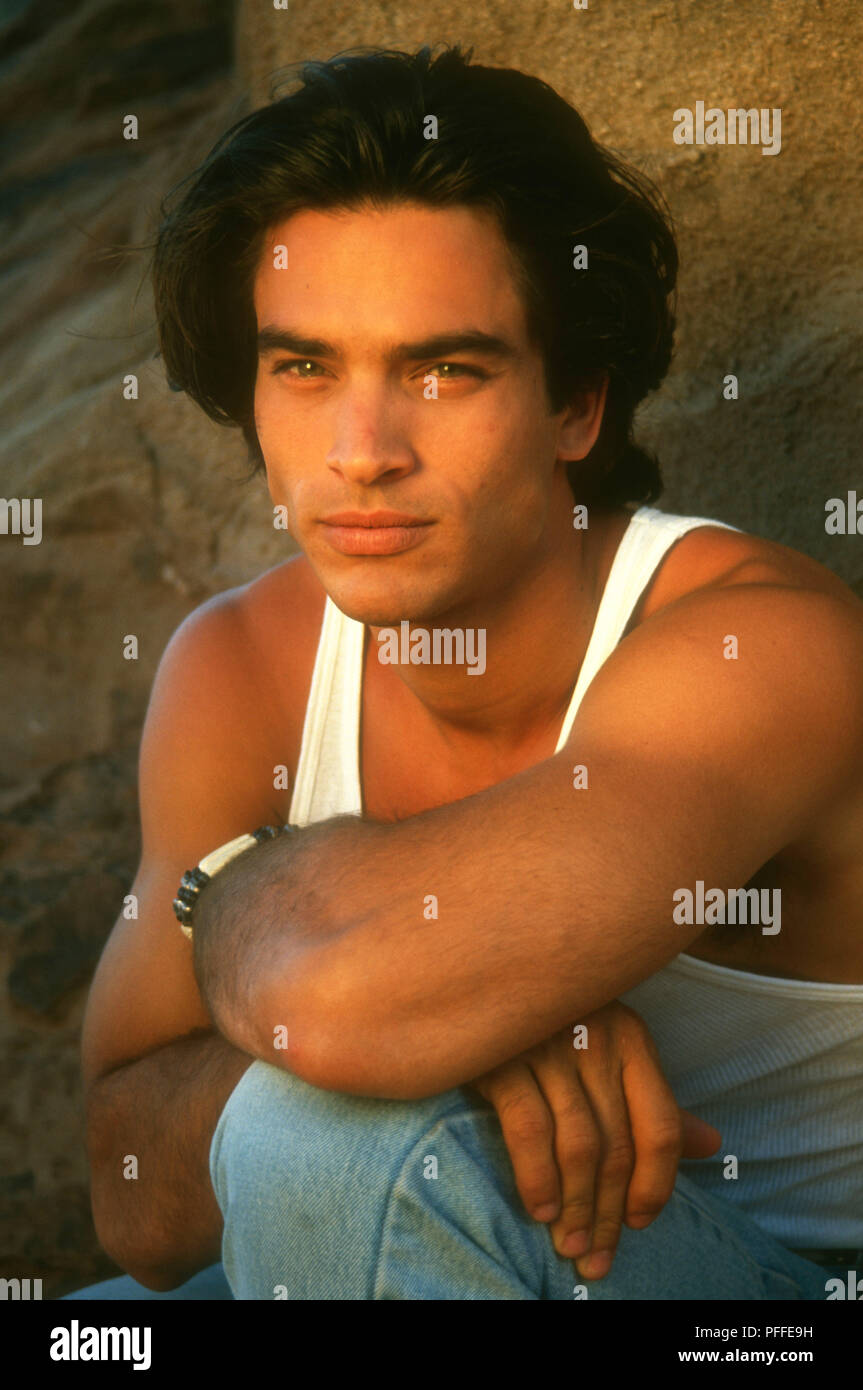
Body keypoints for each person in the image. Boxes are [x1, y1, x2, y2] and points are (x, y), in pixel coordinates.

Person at [67, 45, 863, 1302]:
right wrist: (442, 1041)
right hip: (400, 1233)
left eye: (445, 370)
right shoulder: (236, 663)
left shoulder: (758, 648)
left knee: (334, 1135)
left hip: (775, 1292)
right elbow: (129, 1191)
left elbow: (341, 996)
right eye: (305, 367)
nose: (362, 451)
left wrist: (240, 901)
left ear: (575, 406)